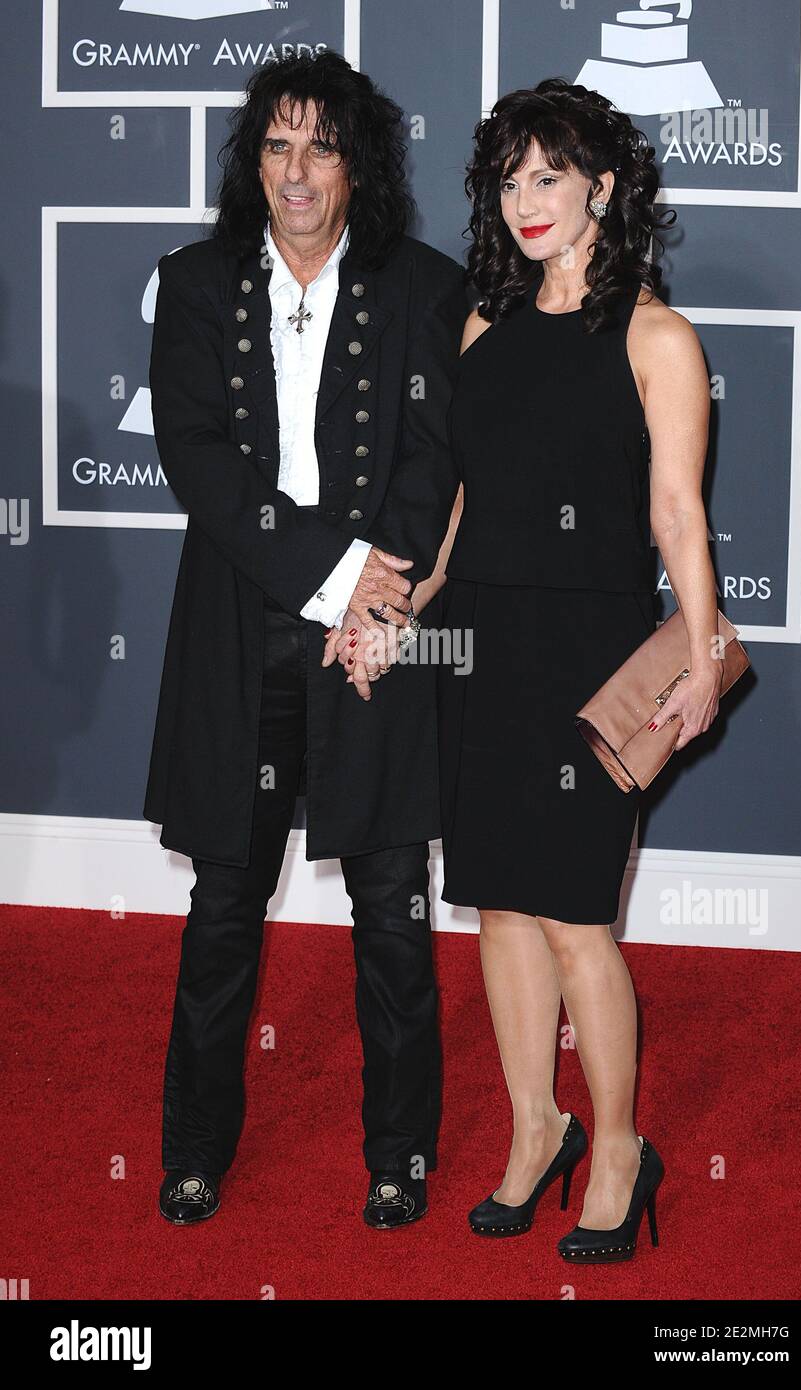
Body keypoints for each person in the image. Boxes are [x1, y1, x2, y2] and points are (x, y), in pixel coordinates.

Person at [144, 50, 468, 1230]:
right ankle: (191, 1150)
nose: (295, 170)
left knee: (391, 905)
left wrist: (380, 610)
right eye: (276, 145)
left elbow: (433, 461)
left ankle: (400, 1154)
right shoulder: (192, 282)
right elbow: (200, 463)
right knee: (223, 904)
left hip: (377, 643)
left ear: (357, 163)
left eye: (320, 145)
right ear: (252, 161)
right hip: (242, 630)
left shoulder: (424, 288)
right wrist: (343, 585)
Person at [406, 78, 720, 1262]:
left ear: (600, 185)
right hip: (480, 640)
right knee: (496, 906)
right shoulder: (481, 327)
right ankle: (537, 1126)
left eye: (550, 175)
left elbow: (677, 514)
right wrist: (407, 604)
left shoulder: (653, 336)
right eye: (508, 177)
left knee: (577, 914)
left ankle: (621, 1146)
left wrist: (698, 652)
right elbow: (460, 502)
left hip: (589, 653)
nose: (526, 199)